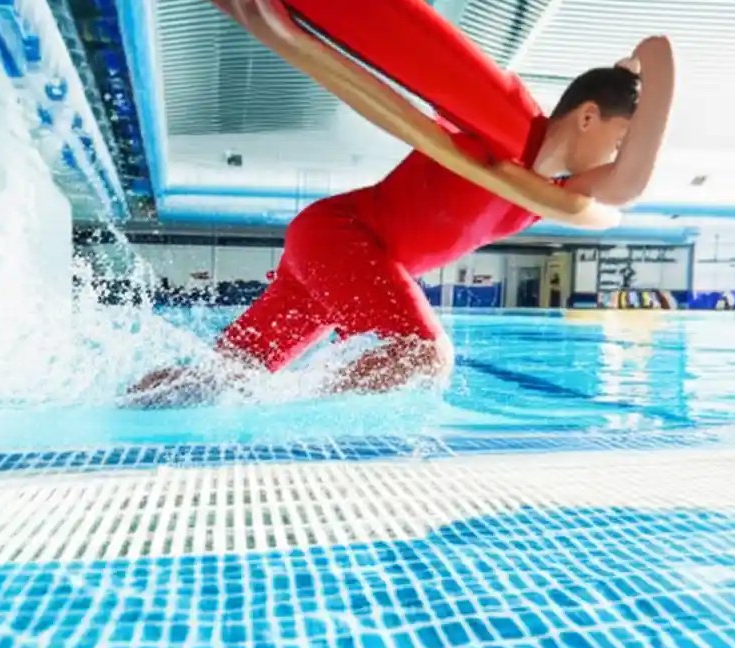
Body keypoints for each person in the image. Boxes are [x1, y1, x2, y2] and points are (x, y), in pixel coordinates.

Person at [128, 0, 675, 407]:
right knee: (423, 355)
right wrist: (656, 57)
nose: (616, 158)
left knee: (228, 376)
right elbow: (425, 48)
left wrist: (635, 71)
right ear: (586, 117)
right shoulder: (510, 119)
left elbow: (629, 185)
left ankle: (121, 401)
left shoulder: (551, 196)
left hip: (340, 252)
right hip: (345, 236)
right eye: (618, 139)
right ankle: (282, 409)